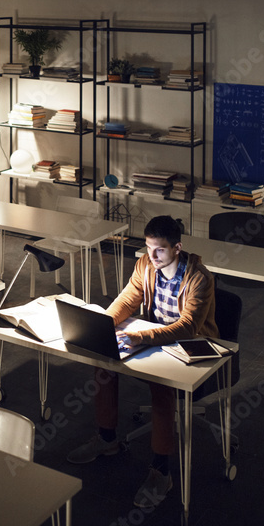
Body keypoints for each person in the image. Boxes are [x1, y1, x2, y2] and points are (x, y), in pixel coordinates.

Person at [66, 215, 218, 509]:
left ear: (177, 247)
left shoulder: (200, 278)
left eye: (159, 249)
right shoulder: (145, 265)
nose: (152, 255)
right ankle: (107, 438)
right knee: (104, 360)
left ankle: (161, 470)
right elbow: (127, 299)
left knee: (162, 387)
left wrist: (141, 337)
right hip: (151, 338)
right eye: (148, 248)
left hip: (189, 346)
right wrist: (102, 324)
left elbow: (188, 327)